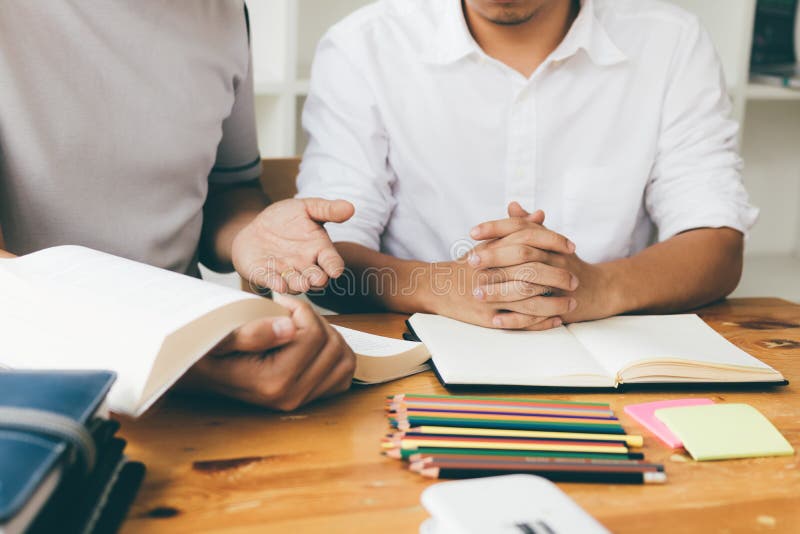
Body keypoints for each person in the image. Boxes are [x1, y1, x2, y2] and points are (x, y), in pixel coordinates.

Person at [296, 0, 758, 331]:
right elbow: (326, 256)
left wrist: (599, 288)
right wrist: (437, 286)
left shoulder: (671, 40)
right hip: (419, 353)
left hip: (612, 353)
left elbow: (716, 244)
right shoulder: (362, 46)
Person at [0, 1, 356, 411]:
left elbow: (229, 190)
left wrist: (249, 235)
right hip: (37, 381)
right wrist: (159, 357)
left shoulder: (225, 13)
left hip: (197, 354)